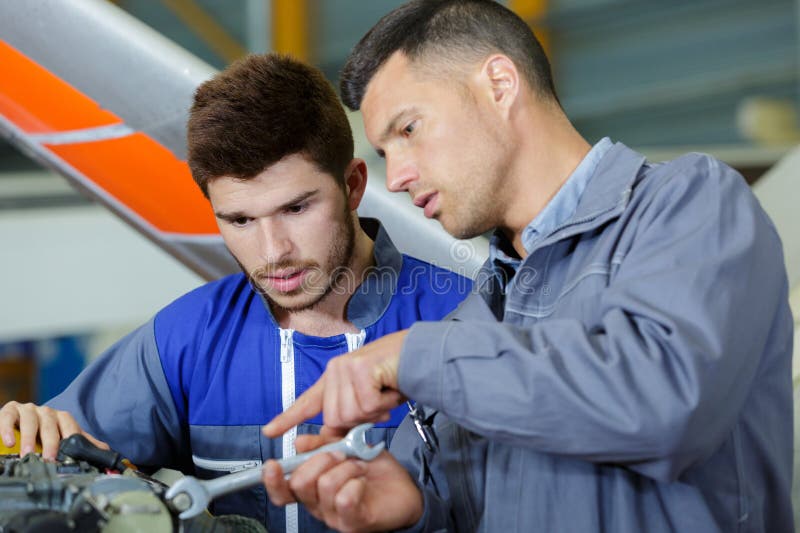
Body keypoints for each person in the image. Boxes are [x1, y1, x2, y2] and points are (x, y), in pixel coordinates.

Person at [260, 1, 795, 532]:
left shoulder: (688, 204)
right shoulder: (476, 319)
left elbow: (667, 401)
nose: (395, 177)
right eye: (383, 153)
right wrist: (418, 508)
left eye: (408, 130)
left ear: (499, 84)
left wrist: (419, 355)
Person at [0, 53, 471, 532]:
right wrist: (28, 432)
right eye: (240, 220)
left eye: (295, 208)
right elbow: (56, 454)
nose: (273, 253)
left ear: (352, 186)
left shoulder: (470, 322)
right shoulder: (186, 340)